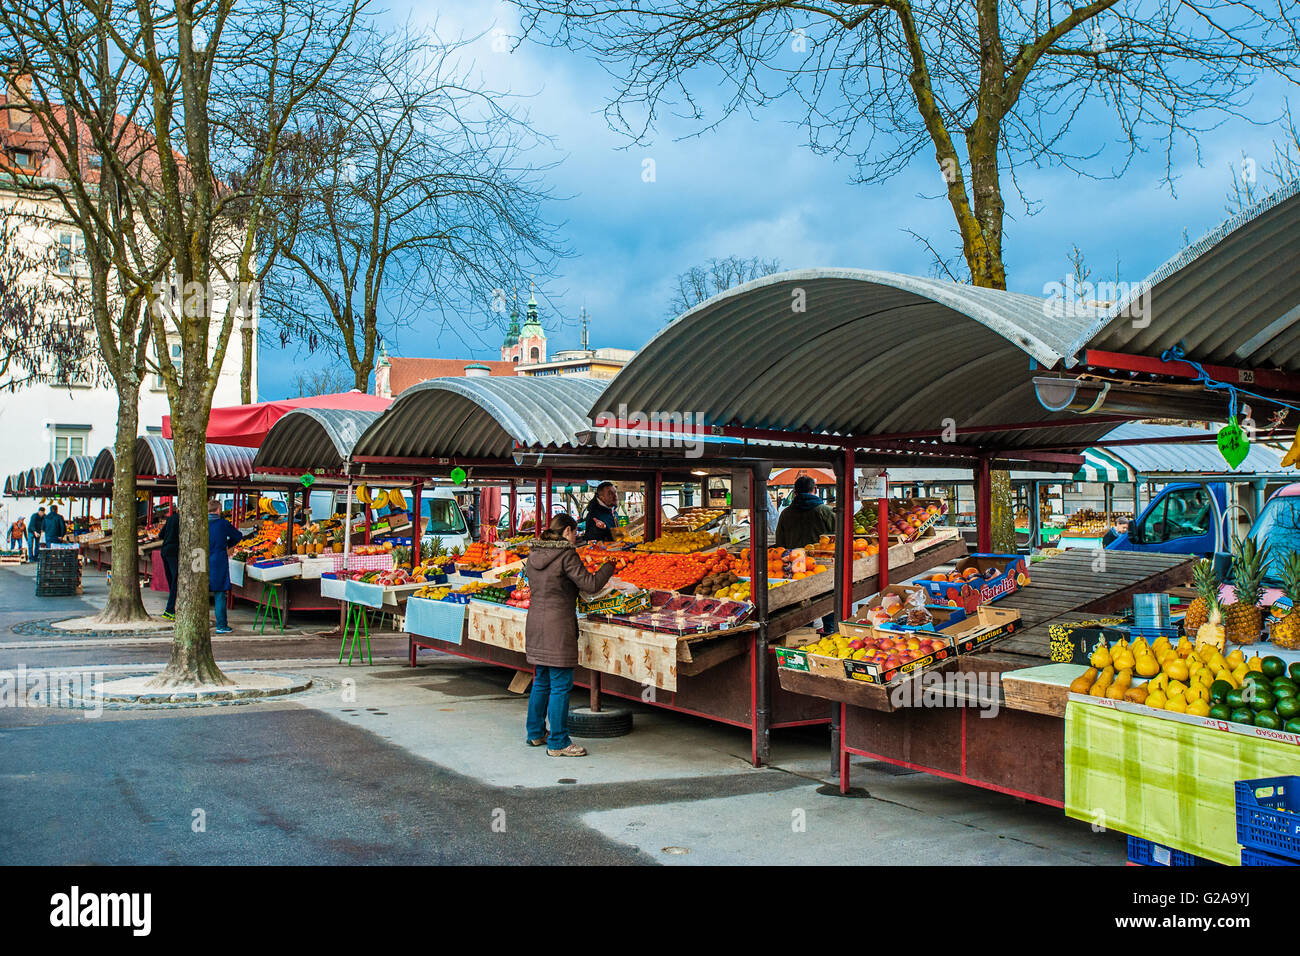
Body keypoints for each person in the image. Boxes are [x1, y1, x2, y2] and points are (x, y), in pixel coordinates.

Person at [524, 513, 615, 757]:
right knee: (561, 685)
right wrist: (610, 566)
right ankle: (559, 742)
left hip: (535, 622)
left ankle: (535, 733)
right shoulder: (566, 554)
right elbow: (591, 584)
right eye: (575, 532)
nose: (576, 537)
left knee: (542, 679)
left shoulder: (533, 553)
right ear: (566, 531)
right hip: (558, 626)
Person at [774, 475, 837, 631]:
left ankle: (805, 634)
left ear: (795, 492)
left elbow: (780, 544)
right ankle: (829, 632)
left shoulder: (786, 513)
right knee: (827, 599)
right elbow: (839, 537)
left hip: (795, 568)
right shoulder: (826, 511)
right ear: (814, 490)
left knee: (801, 604)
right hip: (822, 566)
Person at [207, 499, 244, 634]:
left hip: (200, 560)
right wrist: (227, 545)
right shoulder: (223, 524)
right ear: (218, 510)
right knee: (220, 593)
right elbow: (238, 536)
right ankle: (221, 625)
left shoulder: (201, 523)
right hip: (218, 561)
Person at [158, 507, 180, 620]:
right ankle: (170, 610)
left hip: (165, 550)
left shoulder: (171, 519)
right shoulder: (183, 520)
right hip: (174, 552)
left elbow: (160, 535)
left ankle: (172, 608)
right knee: (176, 581)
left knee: (171, 581)